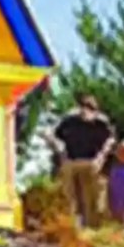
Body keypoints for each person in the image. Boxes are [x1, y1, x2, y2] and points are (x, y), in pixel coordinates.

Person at [51, 95, 115, 228]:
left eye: (90, 110)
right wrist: (61, 152)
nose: (86, 113)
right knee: (69, 196)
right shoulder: (69, 121)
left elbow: (110, 140)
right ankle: (72, 225)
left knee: (91, 197)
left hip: (91, 162)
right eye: (83, 109)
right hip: (72, 161)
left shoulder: (101, 123)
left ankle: (92, 227)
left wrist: (101, 157)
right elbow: (54, 136)